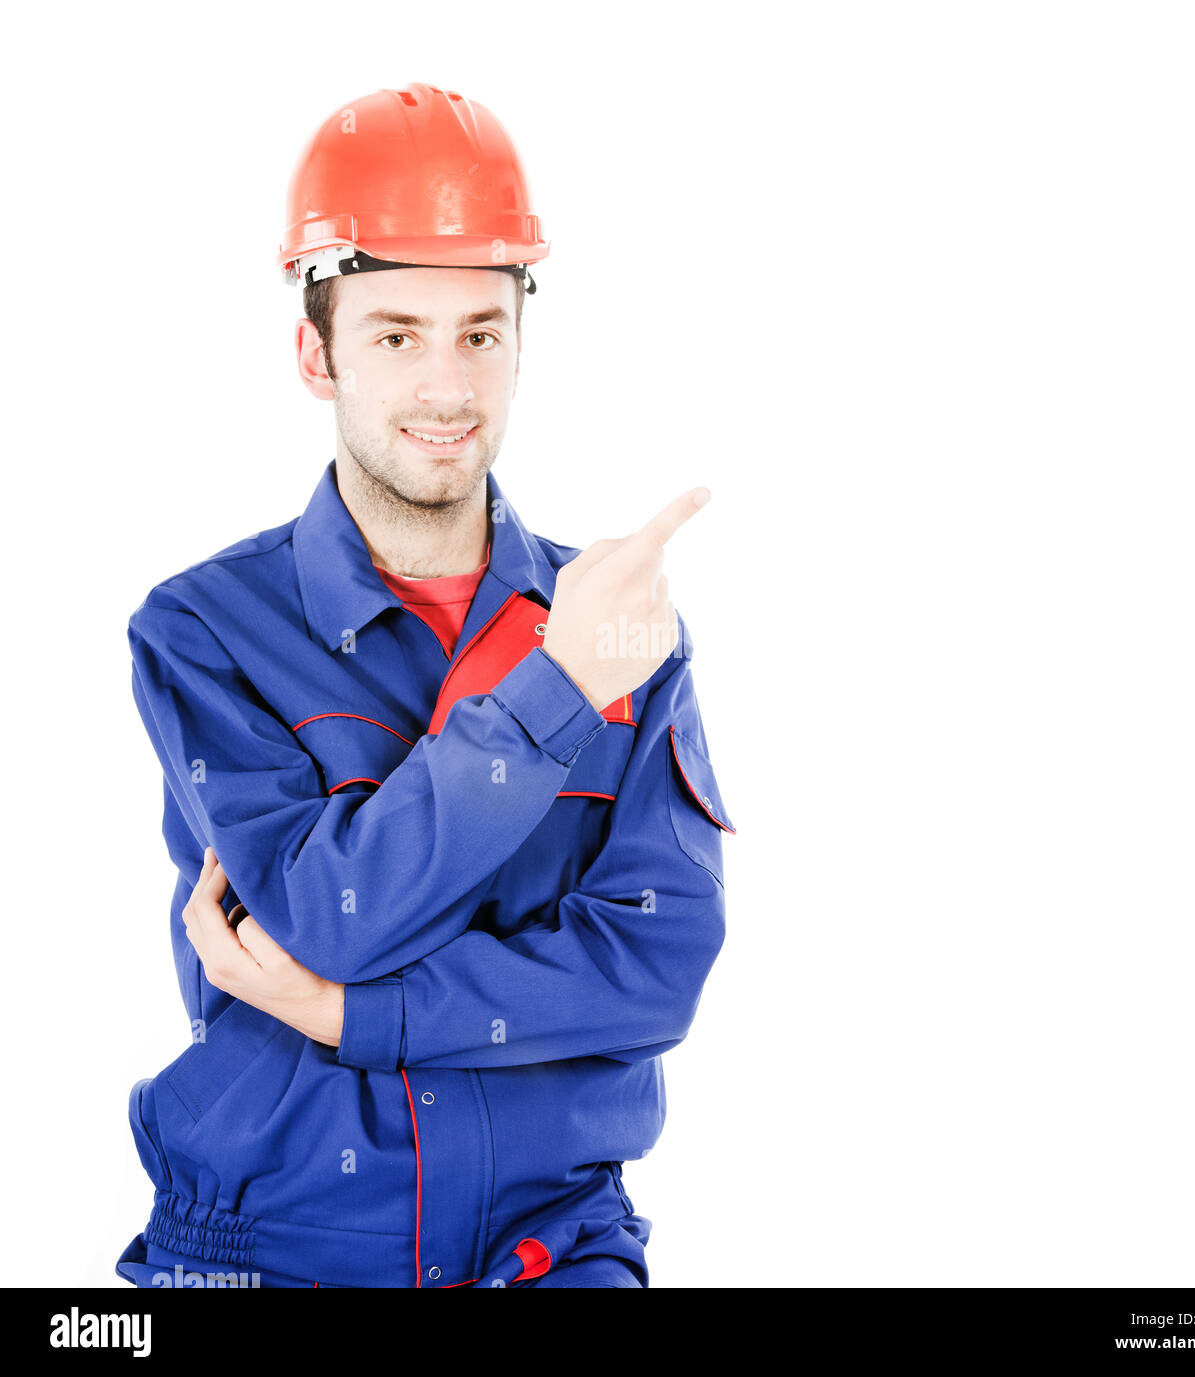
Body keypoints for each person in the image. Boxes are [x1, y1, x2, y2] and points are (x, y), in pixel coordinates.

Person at [115, 82, 734, 1289]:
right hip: (269, 1246)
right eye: (396, 334)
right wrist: (557, 694)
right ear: (317, 352)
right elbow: (324, 916)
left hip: (549, 1246)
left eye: (480, 334)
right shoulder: (203, 631)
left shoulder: (619, 622)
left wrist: (350, 1016)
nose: (446, 386)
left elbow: (661, 969)